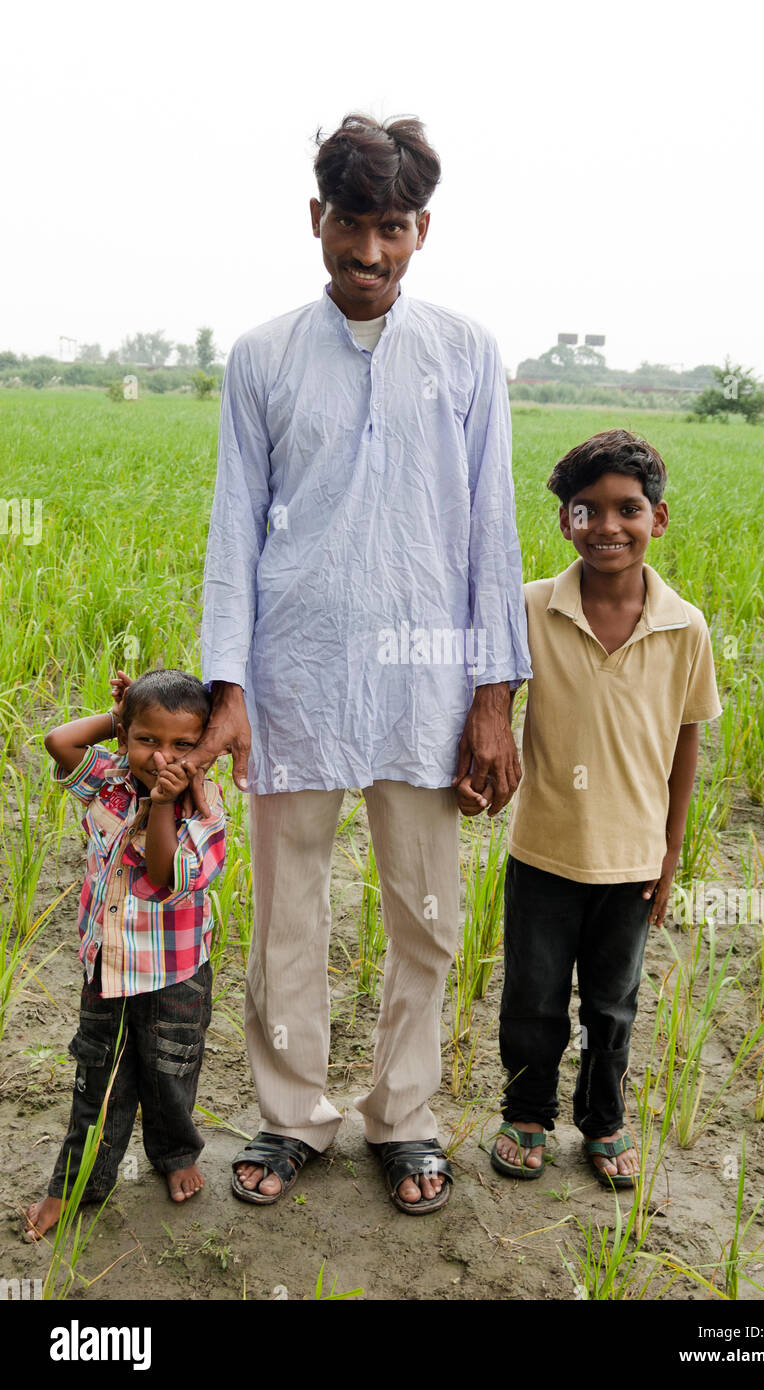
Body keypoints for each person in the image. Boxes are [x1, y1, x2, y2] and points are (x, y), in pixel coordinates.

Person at [191, 113, 531, 1214]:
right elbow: (232, 535)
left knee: (425, 915)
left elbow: (493, 534)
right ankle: (292, 1116)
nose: (369, 254)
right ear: (316, 220)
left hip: (429, 688)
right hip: (294, 681)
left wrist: (492, 699)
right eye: (351, 225)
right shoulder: (263, 356)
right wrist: (231, 689)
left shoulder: (468, 353)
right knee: (289, 910)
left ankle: (404, 1114)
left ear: (422, 229)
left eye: (392, 228)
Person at [483, 430, 721, 1187]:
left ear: (660, 517)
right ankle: (526, 1113)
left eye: (628, 509)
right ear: (564, 523)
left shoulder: (685, 626)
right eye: (587, 510)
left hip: (633, 859)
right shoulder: (530, 609)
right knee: (533, 996)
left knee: (613, 1005)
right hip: (544, 848)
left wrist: (672, 851)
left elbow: (686, 741)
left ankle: (604, 1121)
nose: (608, 526)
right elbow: (492, 712)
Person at [24, 668, 226, 1240]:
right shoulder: (110, 779)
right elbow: (58, 742)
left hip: (175, 975)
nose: (163, 756)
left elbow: (162, 874)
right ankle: (79, 1182)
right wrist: (120, 715)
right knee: (99, 1079)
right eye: (148, 739)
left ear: (204, 747)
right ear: (125, 739)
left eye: (184, 744)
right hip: (107, 969)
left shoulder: (205, 812)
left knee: (170, 1072)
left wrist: (164, 801)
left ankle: (174, 1153)